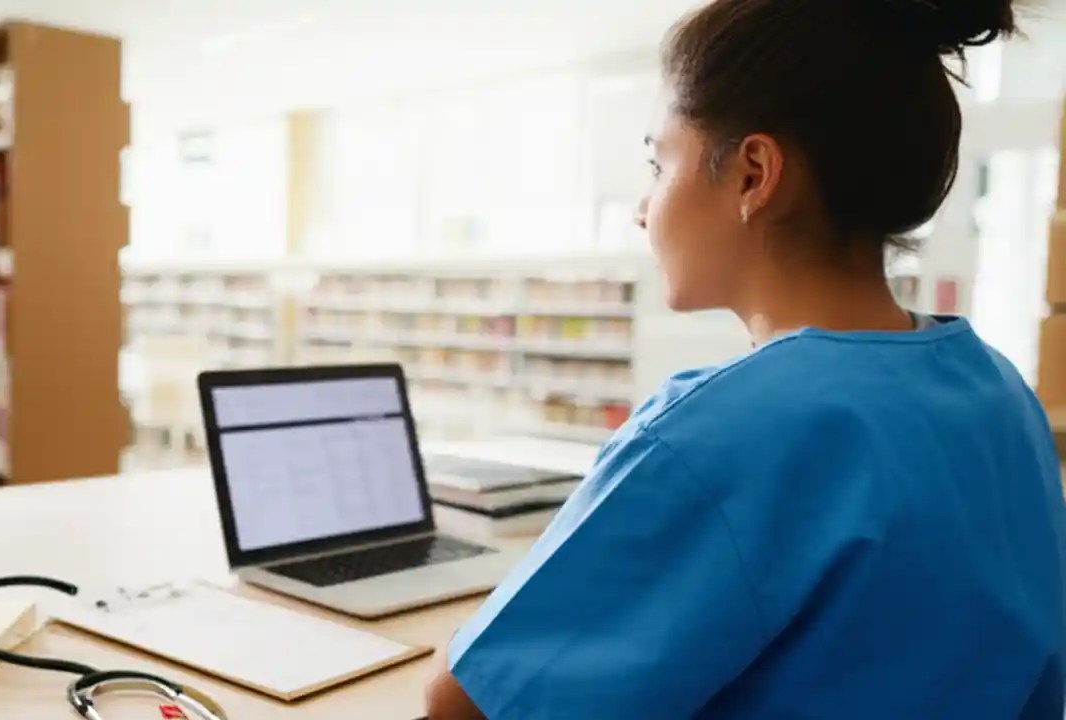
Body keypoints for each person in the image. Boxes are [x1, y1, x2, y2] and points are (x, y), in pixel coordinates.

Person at [425, 0, 1066, 717]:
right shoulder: (1000, 391)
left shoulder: (719, 432)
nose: (643, 209)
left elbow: (465, 707)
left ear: (753, 174)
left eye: (656, 162)